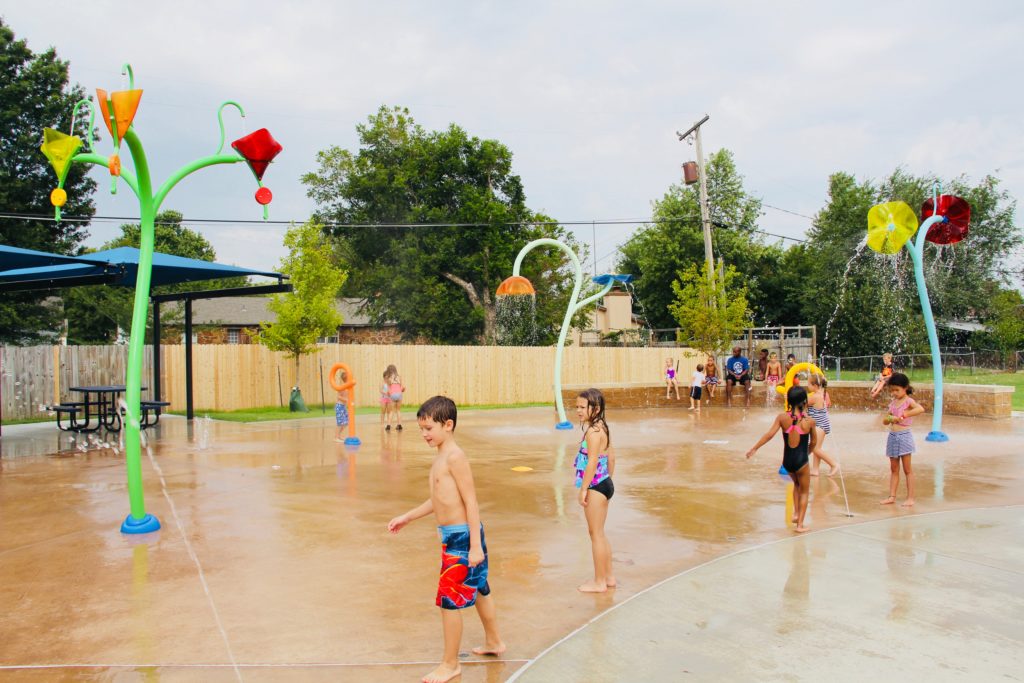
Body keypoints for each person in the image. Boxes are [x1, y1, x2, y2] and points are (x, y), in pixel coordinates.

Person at [387, 396, 505, 683]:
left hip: (462, 540)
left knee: (448, 601)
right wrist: (408, 517)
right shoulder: (441, 456)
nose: (424, 434)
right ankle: (494, 643)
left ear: (448, 424)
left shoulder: (455, 457)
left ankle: (450, 664)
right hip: (458, 537)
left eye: (429, 428)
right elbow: (438, 499)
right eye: (421, 429)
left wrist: (475, 545)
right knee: (479, 589)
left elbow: (471, 501)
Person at [746, 386, 818, 533]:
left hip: (787, 462)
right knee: (804, 491)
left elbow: (769, 435)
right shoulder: (809, 421)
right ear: (804, 402)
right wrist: (806, 454)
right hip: (801, 461)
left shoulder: (782, 418)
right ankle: (800, 525)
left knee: (796, 485)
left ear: (789, 402)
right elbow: (814, 443)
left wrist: (754, 448)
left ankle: (796, 513)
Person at [574, 388, 616, 593]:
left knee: (596, 535)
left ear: (596, 408)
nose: (578, 411)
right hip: (604, 483)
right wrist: (608, 479)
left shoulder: (593, 432)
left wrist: (584, 489)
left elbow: (591, 462)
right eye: (577, 407)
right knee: (600, 533)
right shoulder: (603, 427)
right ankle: (608, 577)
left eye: (583, 407)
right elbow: (611, 457)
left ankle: (599, 582)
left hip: (595, 486)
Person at [880, 373, 924, 507]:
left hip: (904, 436)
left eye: (896, 390)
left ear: (905, 388)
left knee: (907, 469)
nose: (894, 393)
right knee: (894, 469)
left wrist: (905, 414)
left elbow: (920, 409)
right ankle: (892, 496)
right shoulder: (893, 403)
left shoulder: (908, 401)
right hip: (892, 437)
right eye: (892, 390)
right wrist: (889, 419)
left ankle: (910, 497)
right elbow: (884, 421)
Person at [806, 374, 840, 477]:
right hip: (822, 424)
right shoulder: (822, 393)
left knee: (815, 448)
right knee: (818, 447)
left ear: (815, 385)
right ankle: (815, 470)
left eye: (808, 384)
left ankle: (834, 464)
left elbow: (801, 403)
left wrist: (788, 397)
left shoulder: (815, 397)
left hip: (819, 425)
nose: (807, 386)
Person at [383, 364, 405, 431]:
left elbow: (388, 389)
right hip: (399, 394)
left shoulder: (388, 378)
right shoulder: (399, 376)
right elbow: (403, 387)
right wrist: (401, 391)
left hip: (392, 394)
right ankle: (399, 425)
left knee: (391, 411)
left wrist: (389, 394)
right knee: (398, 410)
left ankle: (388, 426)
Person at [334, 370, 350, 443]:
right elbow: (338, 397)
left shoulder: (348, 387)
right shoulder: (342, 387)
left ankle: (339, 436)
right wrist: (346, 400)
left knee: (346, 422)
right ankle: (336, 437)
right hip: (339, 406)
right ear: (347, 378)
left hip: (343, 407)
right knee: (340, 423)